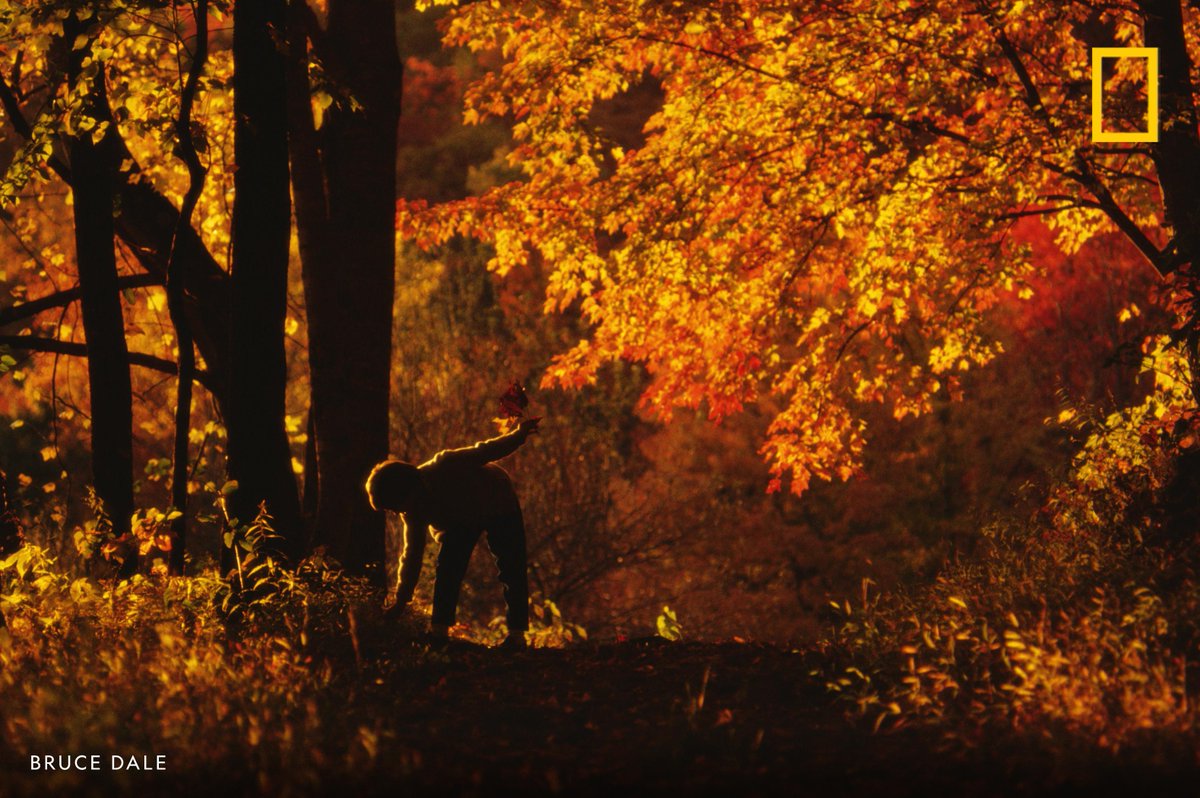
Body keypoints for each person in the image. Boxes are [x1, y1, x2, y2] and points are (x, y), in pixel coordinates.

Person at [366, 418, 540, 649]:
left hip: (497, 498)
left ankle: (517, 635)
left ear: (407, 489)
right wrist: (401, 600)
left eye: (394, 506)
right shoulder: (411, 511)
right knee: (448, 568)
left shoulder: (445, 464)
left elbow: (486, 451)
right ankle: (439, 632)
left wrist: (519, 435)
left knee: (511, 567)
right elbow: (412, 554)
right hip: (459, 521)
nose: (397, 512)